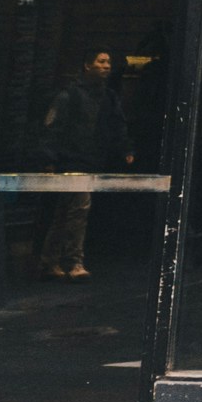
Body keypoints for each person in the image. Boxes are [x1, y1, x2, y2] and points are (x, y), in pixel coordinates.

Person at [34, 47, 128, 281]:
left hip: (89, 159)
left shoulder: (107, 97)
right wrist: (49, 158)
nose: (106, 66)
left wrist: (126, 147)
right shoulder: (70, 95)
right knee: (78, 209)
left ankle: (50, 261)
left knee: (65, 211)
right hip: (73, 160)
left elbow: (117, 125)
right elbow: (53, 127)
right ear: (88, 65)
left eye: (108, 62)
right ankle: (73, 261)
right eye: (101, 61)